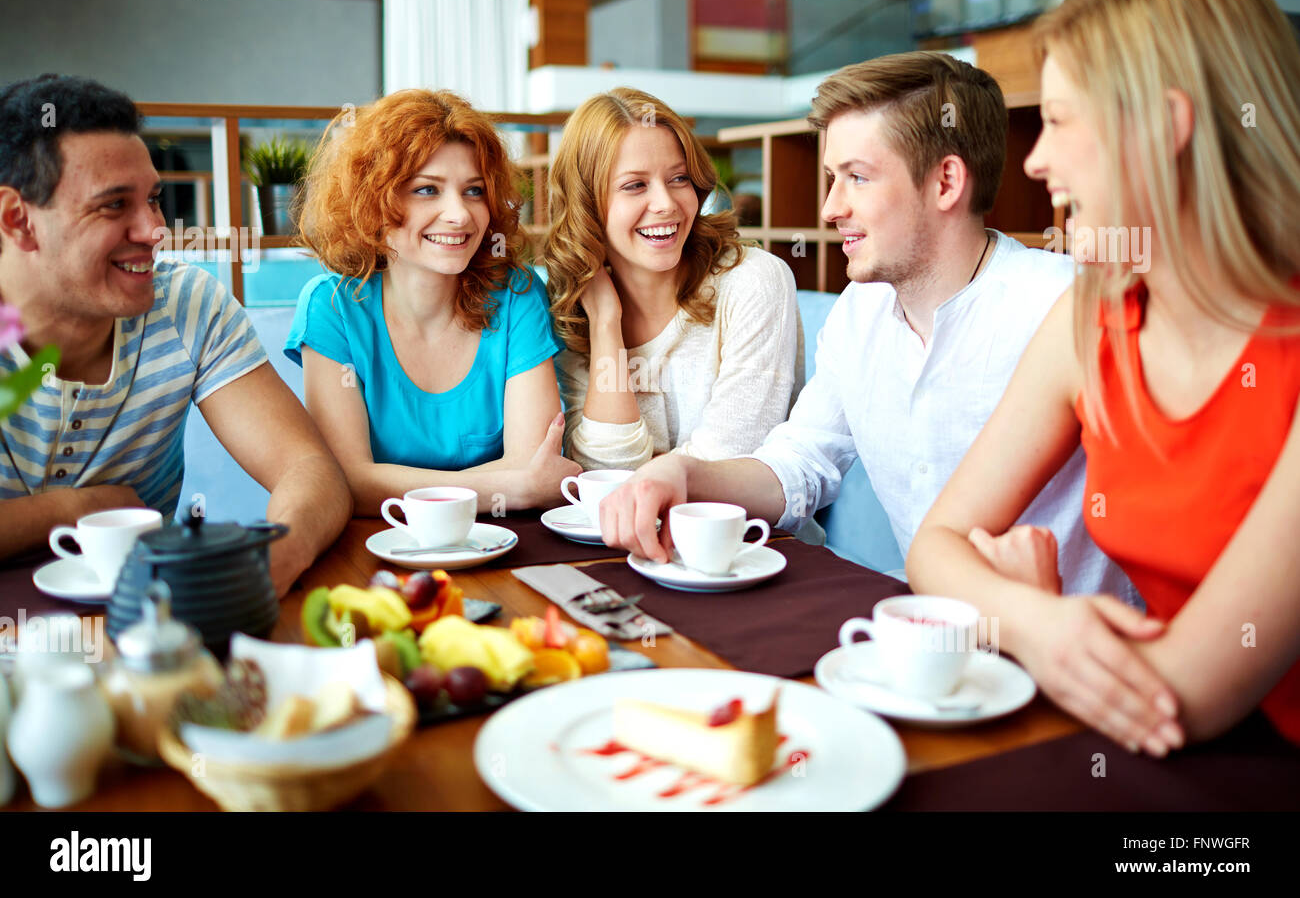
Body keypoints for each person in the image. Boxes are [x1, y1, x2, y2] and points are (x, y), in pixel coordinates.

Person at [907, 0, 1300, 754]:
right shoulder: (1091, 321)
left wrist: (1027, 624)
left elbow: (1180, 694)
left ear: (1166, 124)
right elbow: (934, 547)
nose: (1033, 161)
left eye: (1059, 121)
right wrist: (1035, 617)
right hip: (1166, 750)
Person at [597, 53, 1136, 606]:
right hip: (931, 643)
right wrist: (682, 473)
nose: (830, 208)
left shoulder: (1068, 307)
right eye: (832, 178)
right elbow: (801, 463)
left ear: (946, 181)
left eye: (857, 177)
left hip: (1080, 659)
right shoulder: (859, 313)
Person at [0, 74, 350, 595]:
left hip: (153, 629)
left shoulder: (187, 303)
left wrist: (279, 555)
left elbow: (308, 468)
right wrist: (75, 508)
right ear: (17, 219)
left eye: (154, 199)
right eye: (114, 205)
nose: (154, 230)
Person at [286, 89, 579, 514]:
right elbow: (347, 479)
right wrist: (513, 487)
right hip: (377, 548)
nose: (459, 214)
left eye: (474, 191)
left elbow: (533, 462)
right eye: (427, 190)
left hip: (500, 542)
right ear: (374, 201)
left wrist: (391, 486)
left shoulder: (517, 294)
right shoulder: (332, 308)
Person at [543, 87, 803, 471]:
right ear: (587, 206)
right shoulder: (575, 305)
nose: (666, 204)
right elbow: (602, 467)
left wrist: (641, 472)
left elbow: (728, 466)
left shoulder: (754, 281)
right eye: (635, 185)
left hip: (751, 531)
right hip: (618, 529)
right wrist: (604, 323)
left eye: (679, 178)